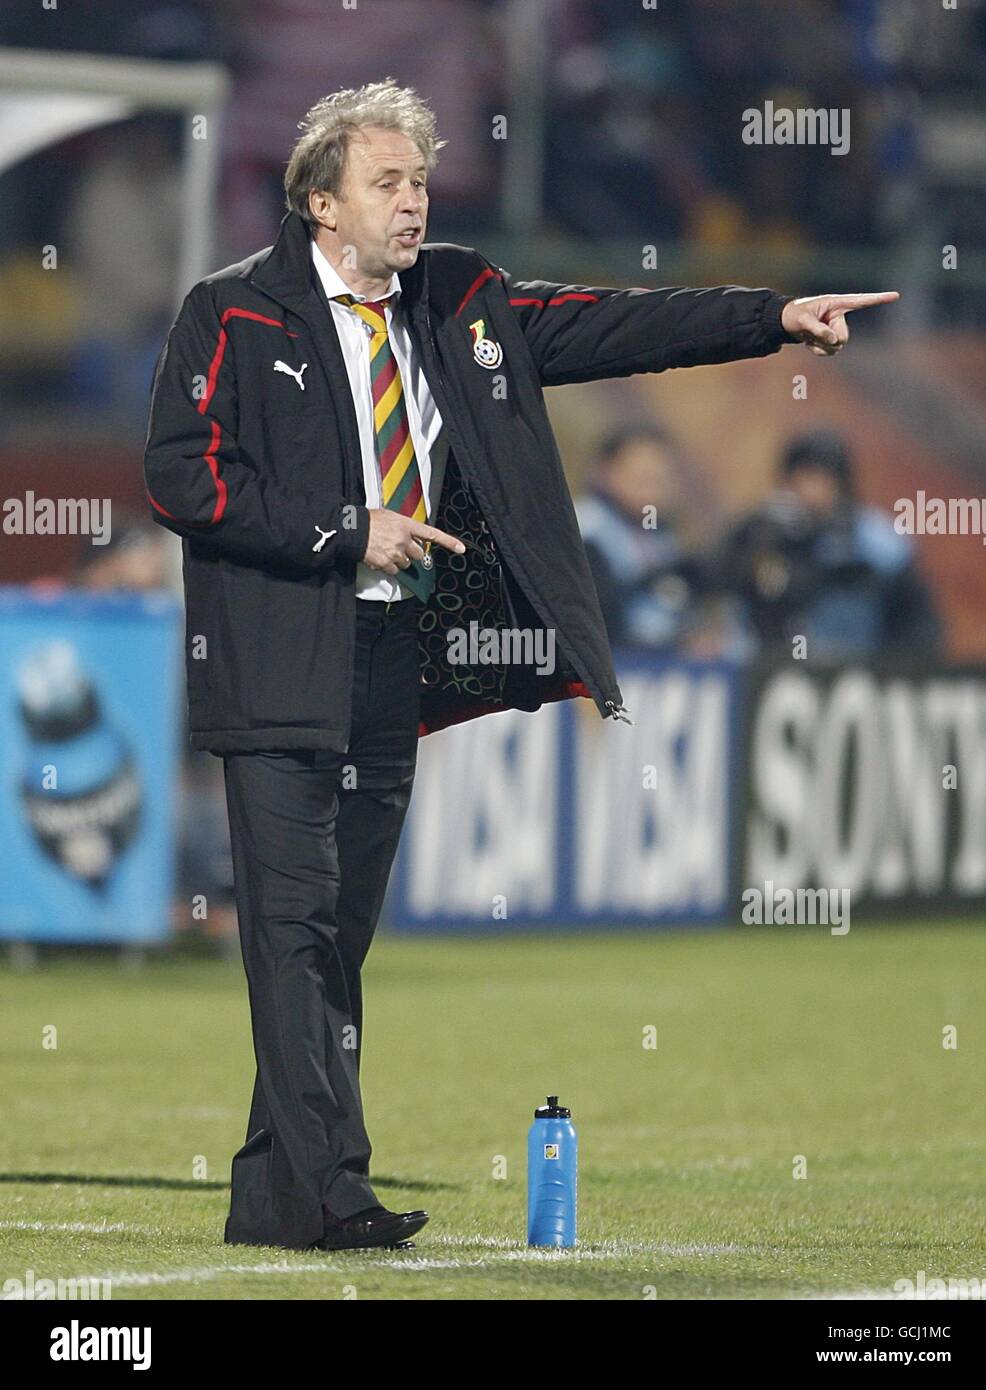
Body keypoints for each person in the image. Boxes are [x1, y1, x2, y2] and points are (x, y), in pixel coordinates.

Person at [142, 78, 899, 1253]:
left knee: (332, 939)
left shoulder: (459, 298)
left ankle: (272, 1190)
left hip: (388, 656)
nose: (413, 202)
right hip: (278, 661)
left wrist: (770, 316)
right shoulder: (230, 312)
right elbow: (182, 477)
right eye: (387, 183)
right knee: (292, 934)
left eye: (420, 181)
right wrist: (348, 528)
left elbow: (611, 324)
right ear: (319, 201)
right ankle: (334, 1192)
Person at [718, 429, 940, 659]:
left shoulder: (874, 541)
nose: (810, 491)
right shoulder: (760, 531)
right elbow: (722, 588)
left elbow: (918, 623)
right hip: (770, 669)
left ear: (841, 485)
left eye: (821, 480)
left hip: (856, 670)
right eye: (802, 479)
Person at [576, 423, 705, 651]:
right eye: (642, 477)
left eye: (660, 479)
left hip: (656, 664)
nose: (652, 489)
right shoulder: (583, 526)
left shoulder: (661, 536)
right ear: (605, 473)